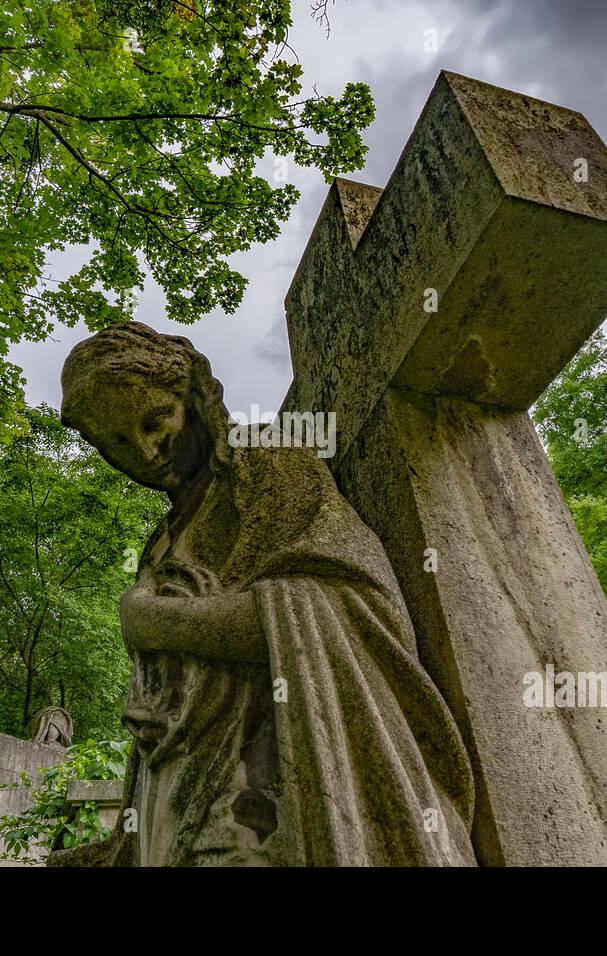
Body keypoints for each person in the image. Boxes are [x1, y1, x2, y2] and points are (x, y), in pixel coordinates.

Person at [59, 321, 475, 865]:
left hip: (263, 787)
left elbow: (336, 605)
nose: (144, 449)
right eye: (115, 441)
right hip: (172, 790)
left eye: (155, 420)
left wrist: (153, 622)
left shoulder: (266, 468)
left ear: (192, 394)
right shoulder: (162, 538)